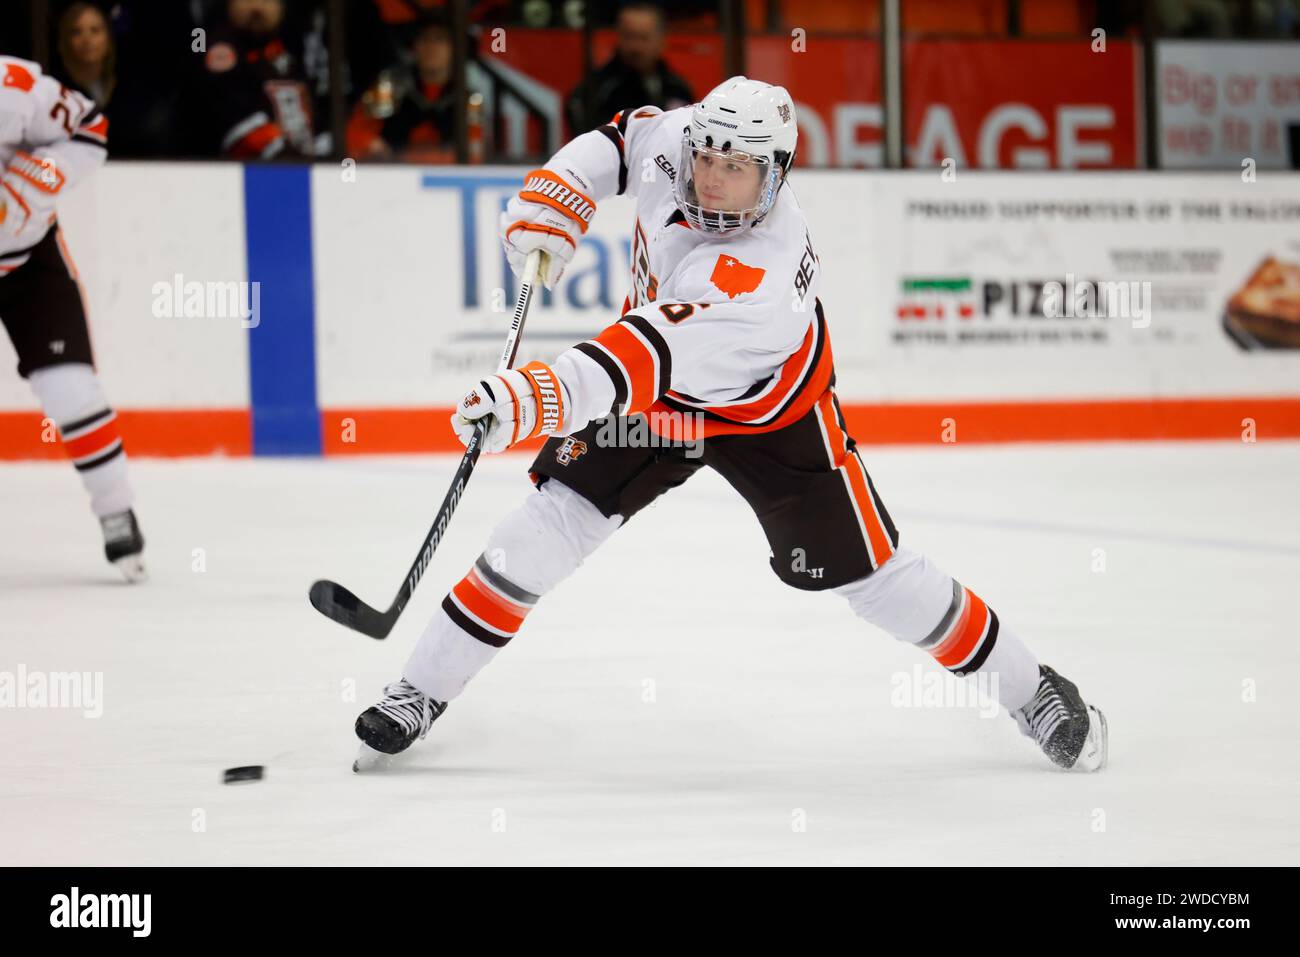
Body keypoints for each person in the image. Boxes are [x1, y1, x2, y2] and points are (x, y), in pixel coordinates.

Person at [353, 76, 1108, 773]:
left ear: (775, 175)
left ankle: (1031, 687)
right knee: (542, 529)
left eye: (736, 167)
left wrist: (528, 398)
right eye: (706, 156)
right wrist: (563, 191)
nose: (711, 176)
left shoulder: (759, 274)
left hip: (768, 417)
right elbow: (621, 139)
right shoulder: (679, 142)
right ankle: (418, 690)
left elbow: (638, 357)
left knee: (877, 581)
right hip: (657, 407)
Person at [0, 55, 145, 581]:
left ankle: (115, 510)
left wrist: (37, 177)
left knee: (70, 390)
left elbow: (91, 126)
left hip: (25, 262)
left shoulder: (11, 88)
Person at [565, 1, 693, 135]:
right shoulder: (596, 91)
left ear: (661, 40)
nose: (636, 47)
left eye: (643, 38)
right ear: (618, 36)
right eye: (629, 37)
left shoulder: (678, 88)